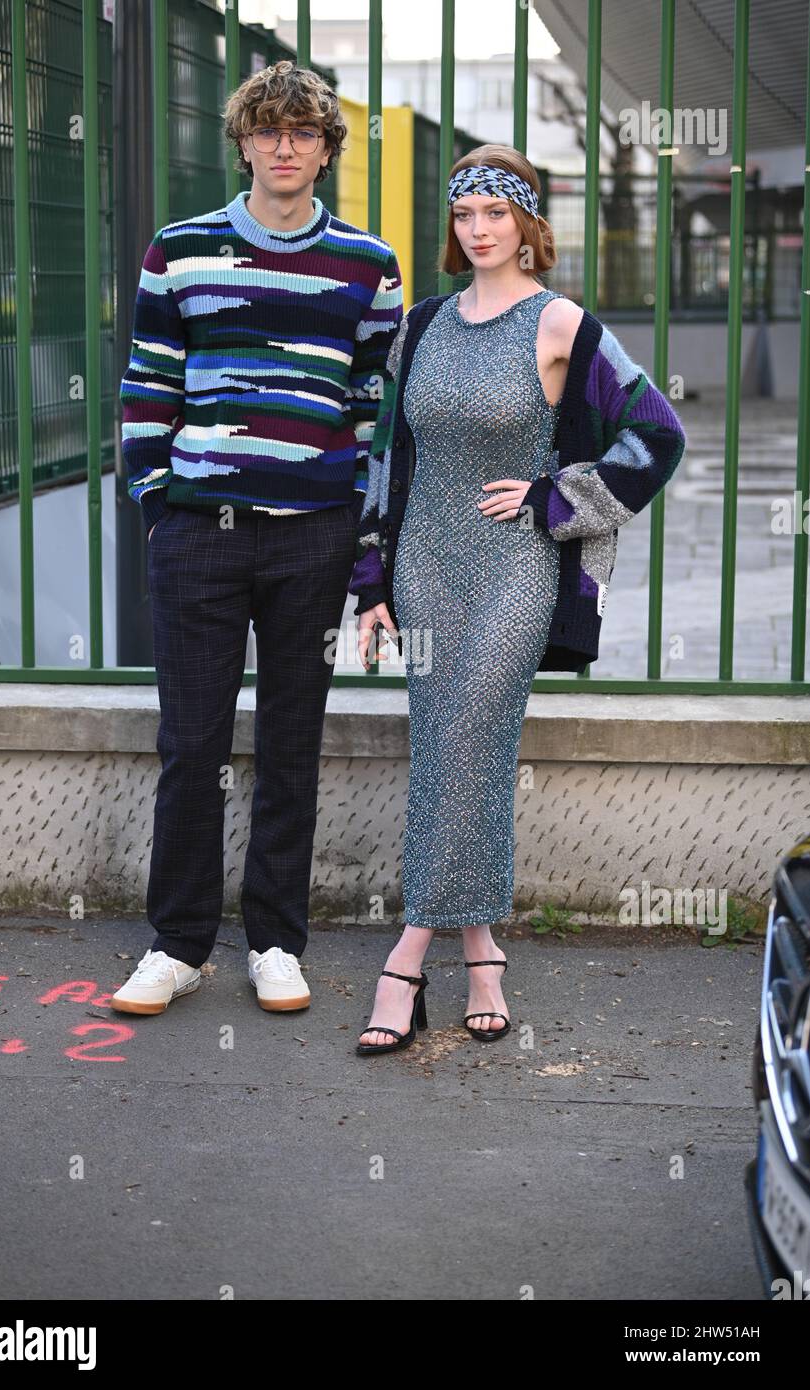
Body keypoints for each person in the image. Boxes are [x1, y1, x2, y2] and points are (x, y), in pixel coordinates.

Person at [349, 145, 686, 1055]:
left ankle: (406, 955)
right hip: (424, 566)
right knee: (453, 747)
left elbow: (656, 433)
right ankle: (483, 950)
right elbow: (384, 453)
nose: (479, 230)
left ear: (527, 224)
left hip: (514, 568)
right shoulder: (419, 326)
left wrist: (552, 499)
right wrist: (372, 578)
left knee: (467, 735)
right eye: (464, 216)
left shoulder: (561, 324)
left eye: (496, 214)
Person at [111, 61, 403, 1016]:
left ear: (326, 149)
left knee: (292, 740)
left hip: (310, 536)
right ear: (241, 141)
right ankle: (179, 943)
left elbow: (370, 411)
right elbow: (149, 383)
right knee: (191, 741)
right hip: (198, 534)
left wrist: (360, 542)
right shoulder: (180, 250)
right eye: (268, 130)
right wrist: (161, 503)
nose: (285, 146)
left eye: (305, 132)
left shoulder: (368, 265)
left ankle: (276, 939)